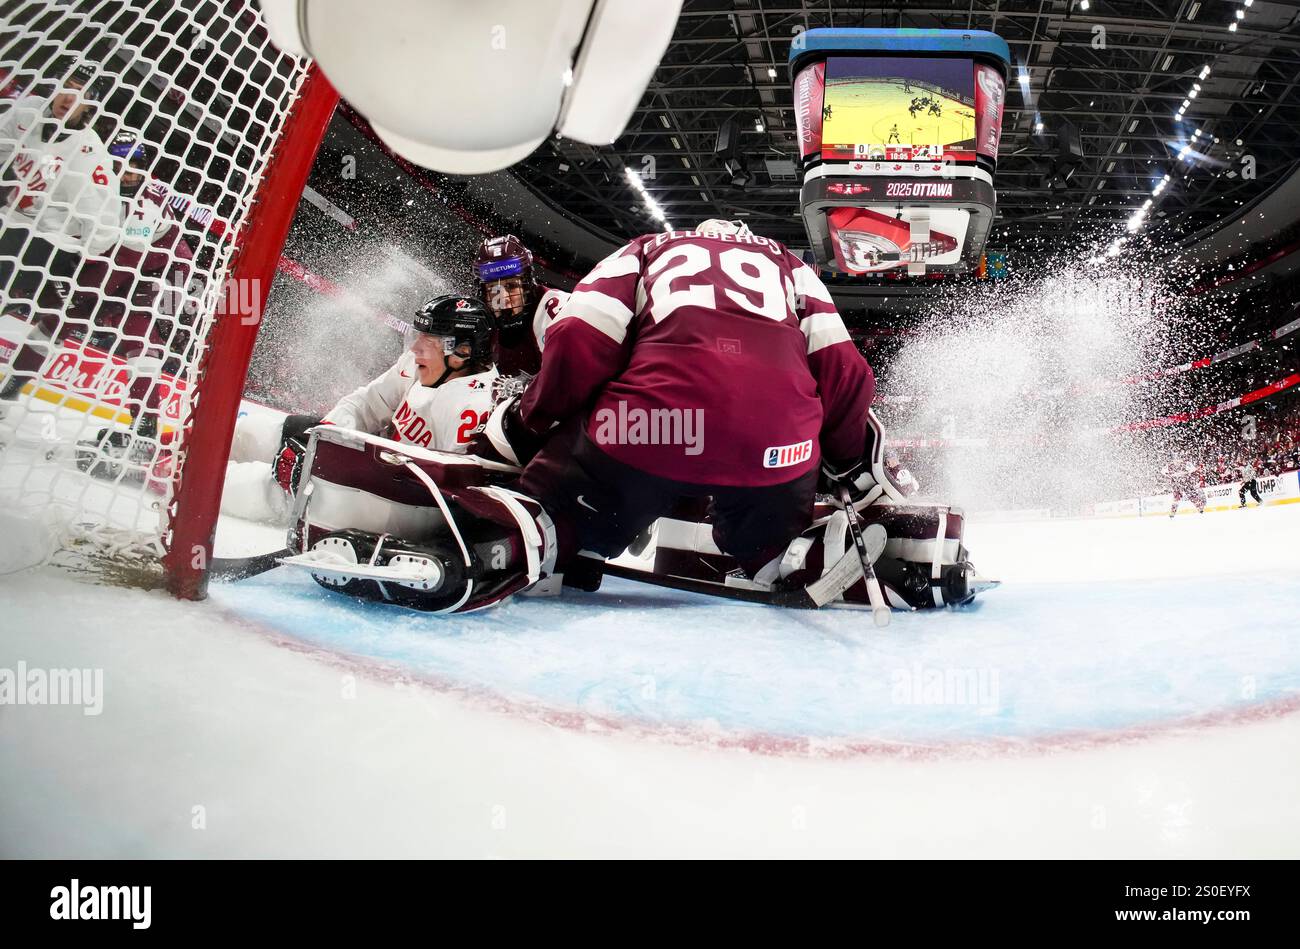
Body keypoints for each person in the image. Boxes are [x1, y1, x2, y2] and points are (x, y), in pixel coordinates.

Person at [219, 294, 498, 522]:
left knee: (270, 489)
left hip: (394, 502)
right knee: (268, 432)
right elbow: (365, 403)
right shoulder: (417, 365)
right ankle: (193, 444)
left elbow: (442, 499)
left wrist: (336, 469)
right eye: (418, 336)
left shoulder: (474, 407)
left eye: (430, 341)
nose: (415, 349)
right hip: (375, 464)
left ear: (463, 352)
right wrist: (327, 440)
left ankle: (191, 479)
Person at [0, 60, 120, 408]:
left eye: (82, 94)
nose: (70, 98)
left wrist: (73, 243)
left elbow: (104, 228)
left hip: (45, 243)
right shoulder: (26, 111)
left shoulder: (88, 155)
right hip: (10, 219)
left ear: (91, 105)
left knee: (55, 320)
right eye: (67, 86)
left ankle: (14, 387)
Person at [473, 234, 568, 377]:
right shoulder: (480, 326)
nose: (503, 300)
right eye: (494, 290)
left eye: (511, 286)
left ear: (527, 285)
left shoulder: (553, 309)